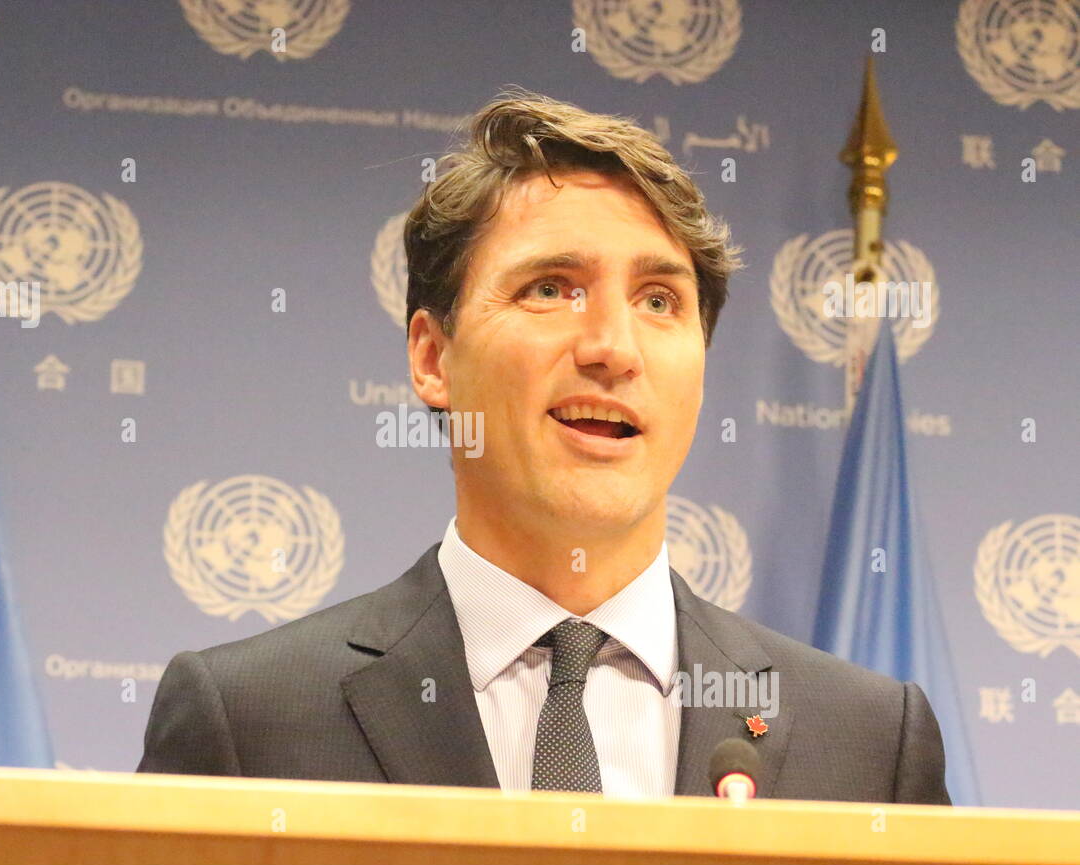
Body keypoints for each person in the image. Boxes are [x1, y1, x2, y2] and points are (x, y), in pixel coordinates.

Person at [137, 90, 950, 804]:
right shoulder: (247, 724)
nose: (612, 348)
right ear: (431, 357)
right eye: (551, 289)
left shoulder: (872, 740)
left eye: (659, 299)